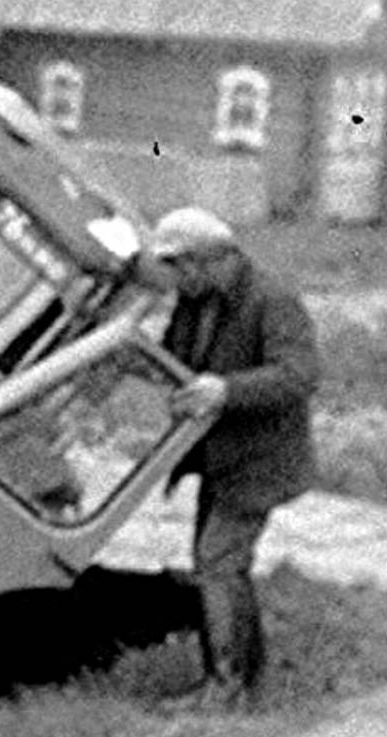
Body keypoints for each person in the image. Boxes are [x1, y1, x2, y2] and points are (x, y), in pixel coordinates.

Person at [147, 207, 320, 707]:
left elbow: (300, 374)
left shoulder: (273, 298)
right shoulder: (195, 298)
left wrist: (224, 390)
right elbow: (173, 357)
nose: (173, 279)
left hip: (259, 461)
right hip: (220, 461)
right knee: (222, 563)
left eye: (177, 267)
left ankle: (225, 690)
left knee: (217, 562)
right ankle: (245, 680)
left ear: (204, 260)